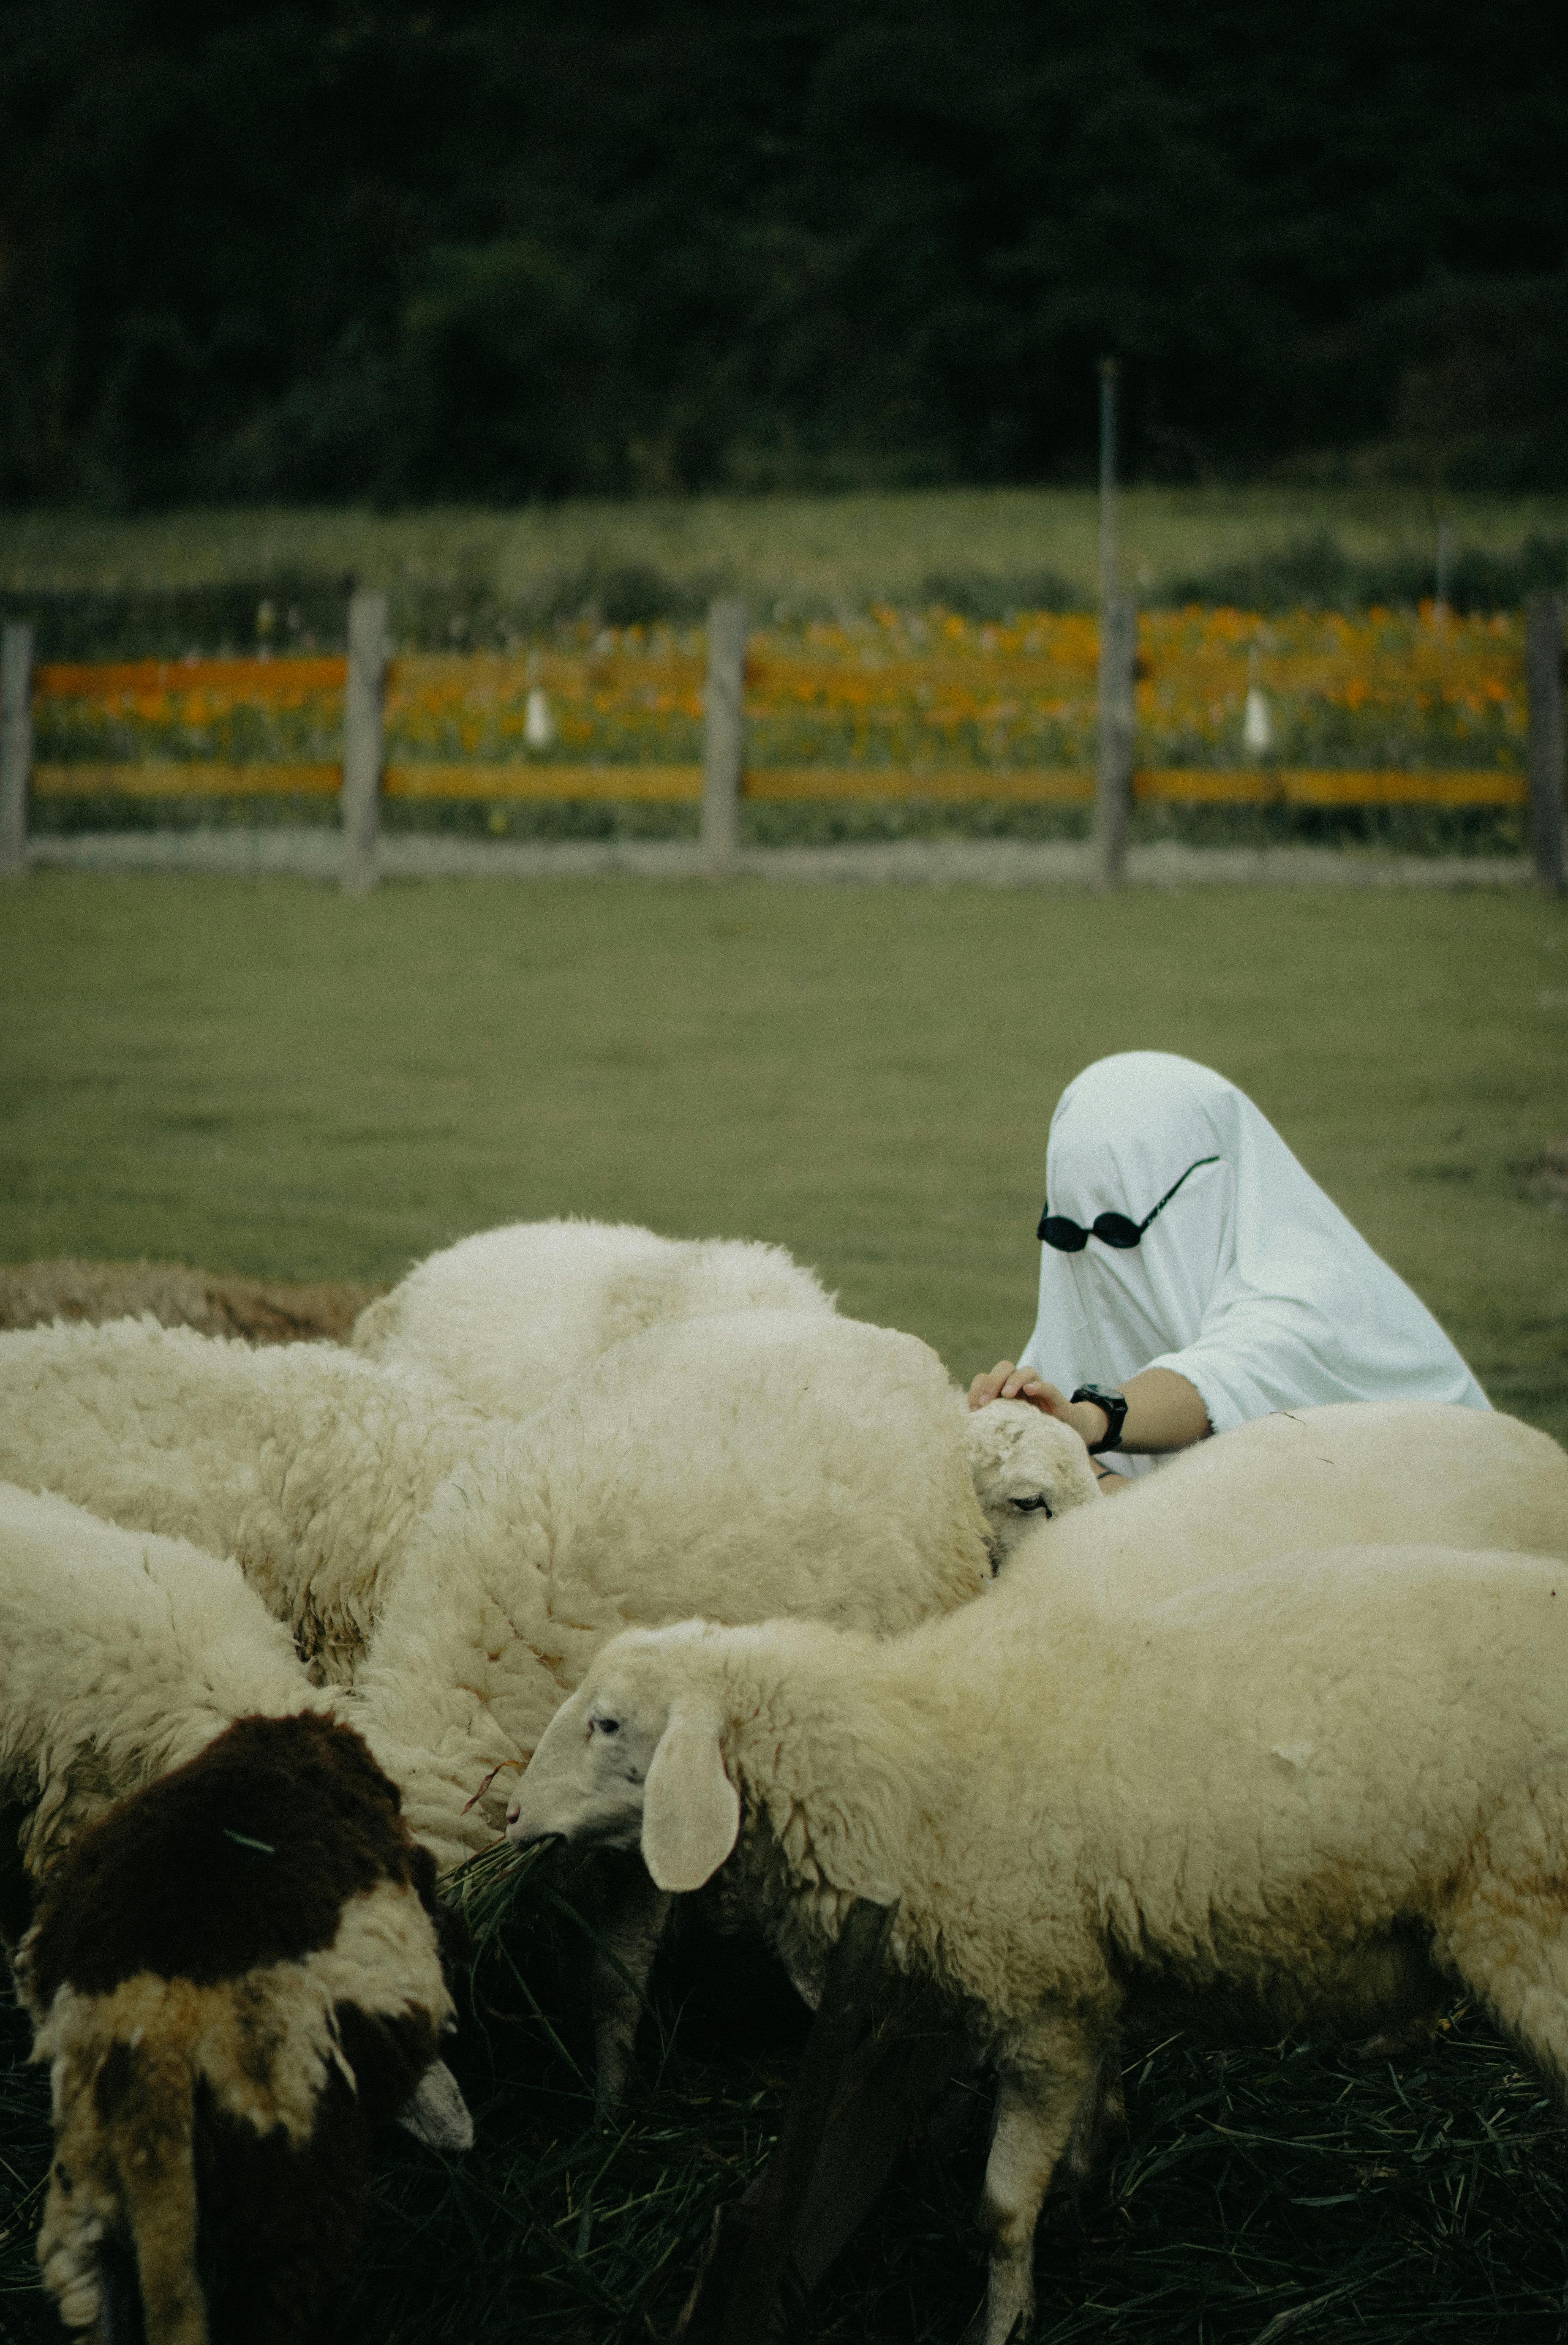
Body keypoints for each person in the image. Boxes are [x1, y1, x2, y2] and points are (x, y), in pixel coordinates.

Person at [968, 1050, 1488, 1486]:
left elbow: (1223, 1381)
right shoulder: (1082, 1275)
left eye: (1117, 1231)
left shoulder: (1315, 1294)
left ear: (1208, 1191)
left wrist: (1085, 1424)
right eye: (1062, 1233)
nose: (1091, 1252)